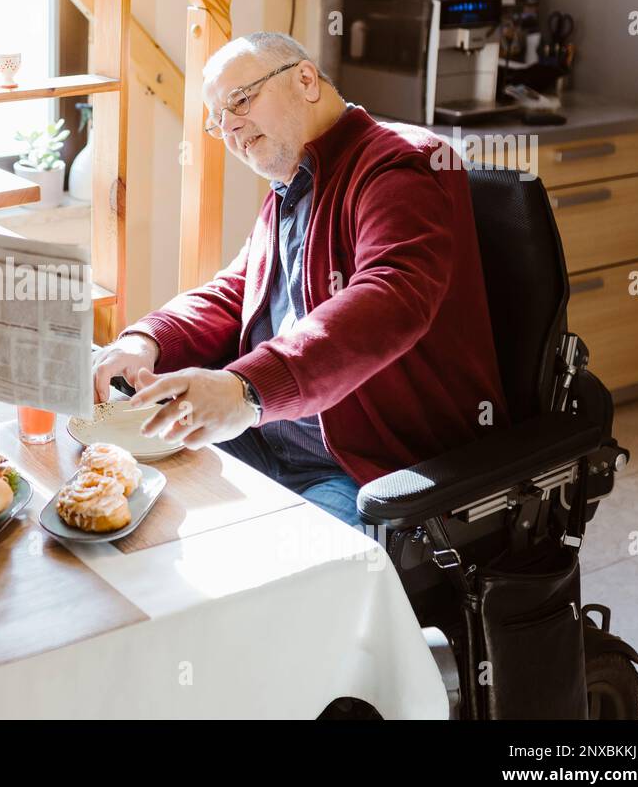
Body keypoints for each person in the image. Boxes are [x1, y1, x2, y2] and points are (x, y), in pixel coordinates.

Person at [92, 32, 507, 528]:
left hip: (362, 467)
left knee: (262, 590)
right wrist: (147, 340)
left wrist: (247, 389)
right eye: (217, 121)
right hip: (270, 437)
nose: (229, 129)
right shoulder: (291, 184)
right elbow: (237, 292)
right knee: (122, 504)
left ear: (306, 80)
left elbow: (390, 297)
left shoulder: (402, 161)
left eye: (240, 101)